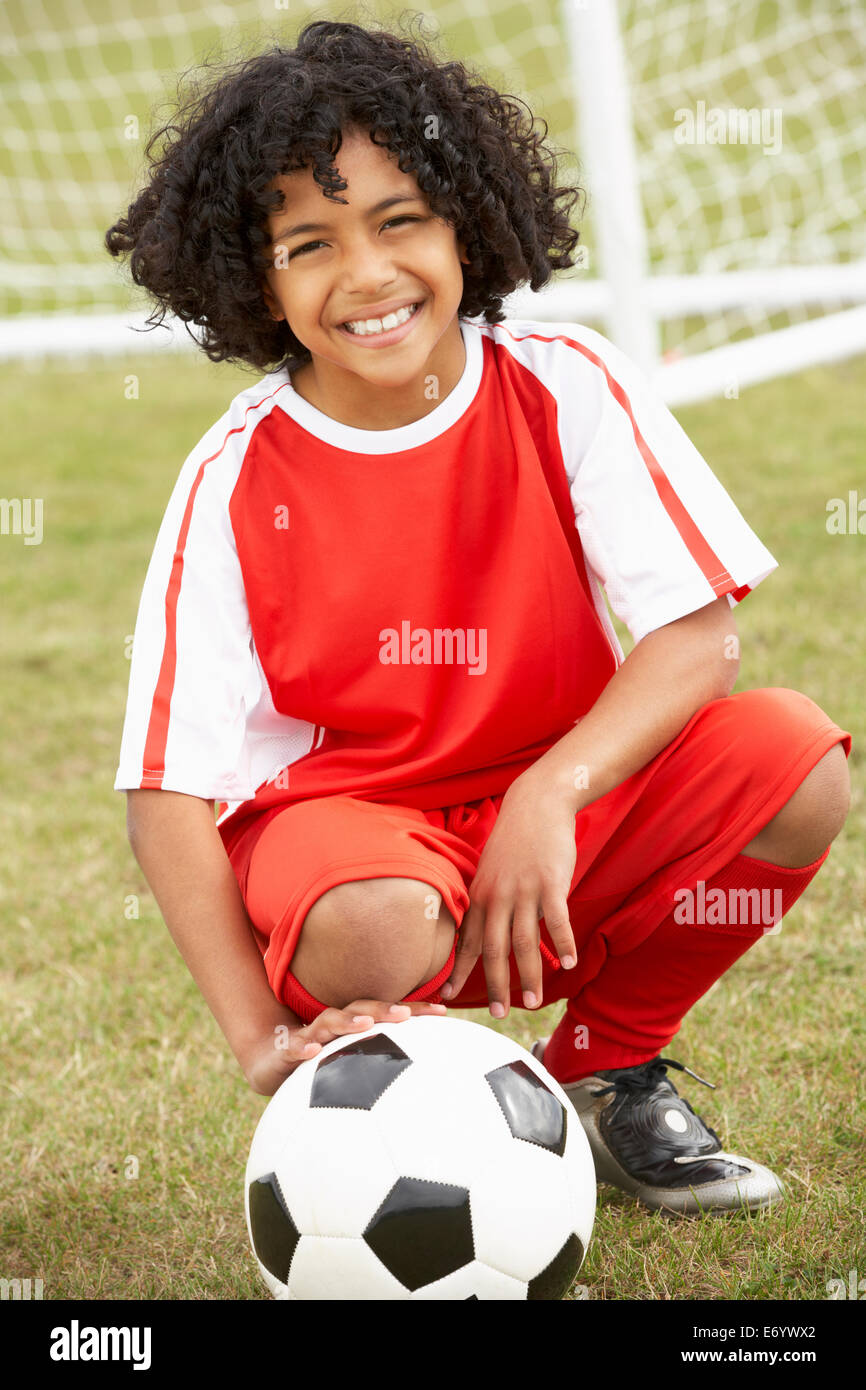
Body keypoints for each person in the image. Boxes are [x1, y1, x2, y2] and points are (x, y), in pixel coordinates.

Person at [107, 19, 851, 1216]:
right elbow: (164, 794)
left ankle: (606, 1069)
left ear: (464, 220)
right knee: (371, 925)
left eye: (398, 220)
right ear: (256, 280)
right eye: (309, 244)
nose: (365, 275)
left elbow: (696, 634)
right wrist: (256, 1038)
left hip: (559, 812)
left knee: (794, 761)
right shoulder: (237, 474)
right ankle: (411, 1120)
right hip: (360, 848)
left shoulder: (563, 379)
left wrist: (546, 793)